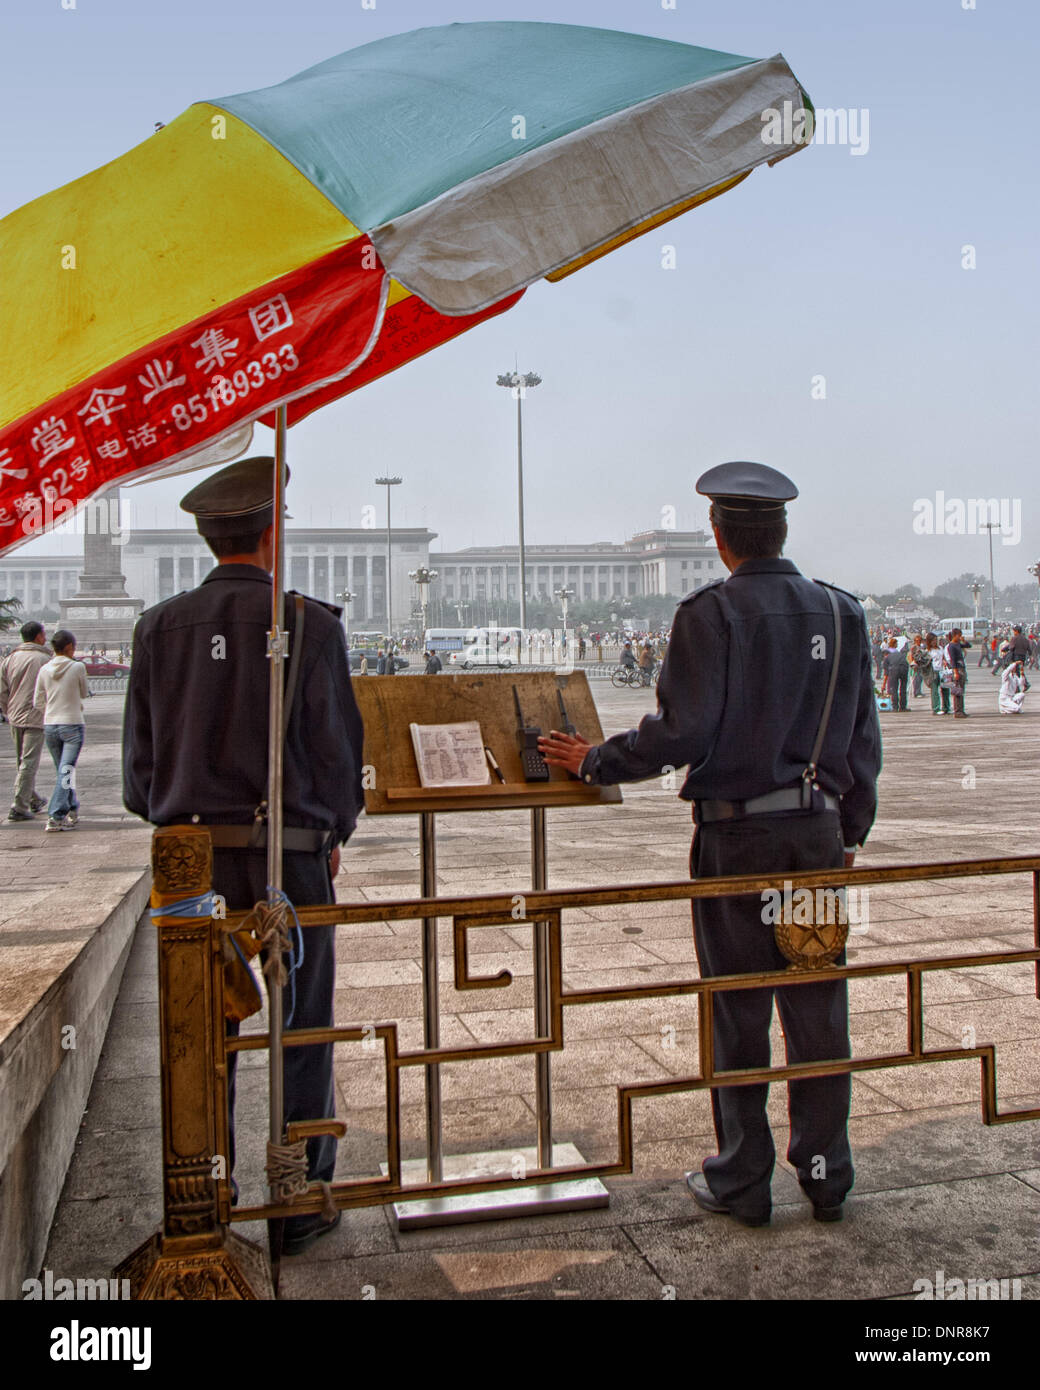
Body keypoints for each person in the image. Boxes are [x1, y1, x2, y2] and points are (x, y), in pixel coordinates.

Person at [540, 461, 881, 1227]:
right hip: (816, 834)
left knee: (738, 1008)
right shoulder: (842, 614)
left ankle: (743, 1178)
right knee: (820, 1002)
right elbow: (863, 735)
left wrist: (595, 759)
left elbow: (680, 733)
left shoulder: (710, 615)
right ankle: (827, 1176)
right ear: (780, 533)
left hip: (737, 837)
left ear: (721, 541)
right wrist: (848, 829)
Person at [122, 456, 365, 1256]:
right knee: (300, 1026)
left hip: (189, 863)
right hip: (288, 859)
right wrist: (332, 833)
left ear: (206, 536)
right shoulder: (311, 625)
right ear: (273, 531)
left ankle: (209, 1193)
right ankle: (298, 1197)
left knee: (204, 1027)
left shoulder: (158, 629)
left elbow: (138, 775)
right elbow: (338, 759)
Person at [34, 629, 90, 831]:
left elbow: (37, 701)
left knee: (64, 771)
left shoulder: (44, 669)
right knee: (66, 771)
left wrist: (51, 711)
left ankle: (72, 808)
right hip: (72, 724)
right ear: (69, 648)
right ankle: (56, 815)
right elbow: (84, 692)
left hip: (50, 725)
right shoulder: (77, 667)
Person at [0, 620, 52, 821]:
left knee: (22, 761)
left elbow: (2, 691)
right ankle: (19, 807)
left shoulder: (10, 659)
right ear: (39, 637)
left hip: (15, 716)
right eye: (44, 634)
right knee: (29, 762)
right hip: (35, 717)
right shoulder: (44, 660)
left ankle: (33, 798)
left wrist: (8, 711)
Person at [943, 629, 969, 717]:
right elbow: (953, 660)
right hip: (957, 669)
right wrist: (955, 672)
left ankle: (961, 709)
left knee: (961, 690)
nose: (960, 637)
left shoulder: (958, 644)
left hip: (962, 667)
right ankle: (957, 711)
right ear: (955, 635)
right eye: (959, 635)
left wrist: (963, 640)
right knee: (957, 690)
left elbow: (968, 645)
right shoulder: (951, 646)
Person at [882, 638, 909, 712]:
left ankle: (895, 707)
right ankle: (903, 707)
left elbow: (886, 672)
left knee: (894, 689)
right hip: (904, 669)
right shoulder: (899, 653)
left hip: (894, 670)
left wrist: (884, 684)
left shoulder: (887, 656)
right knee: (903, 689)